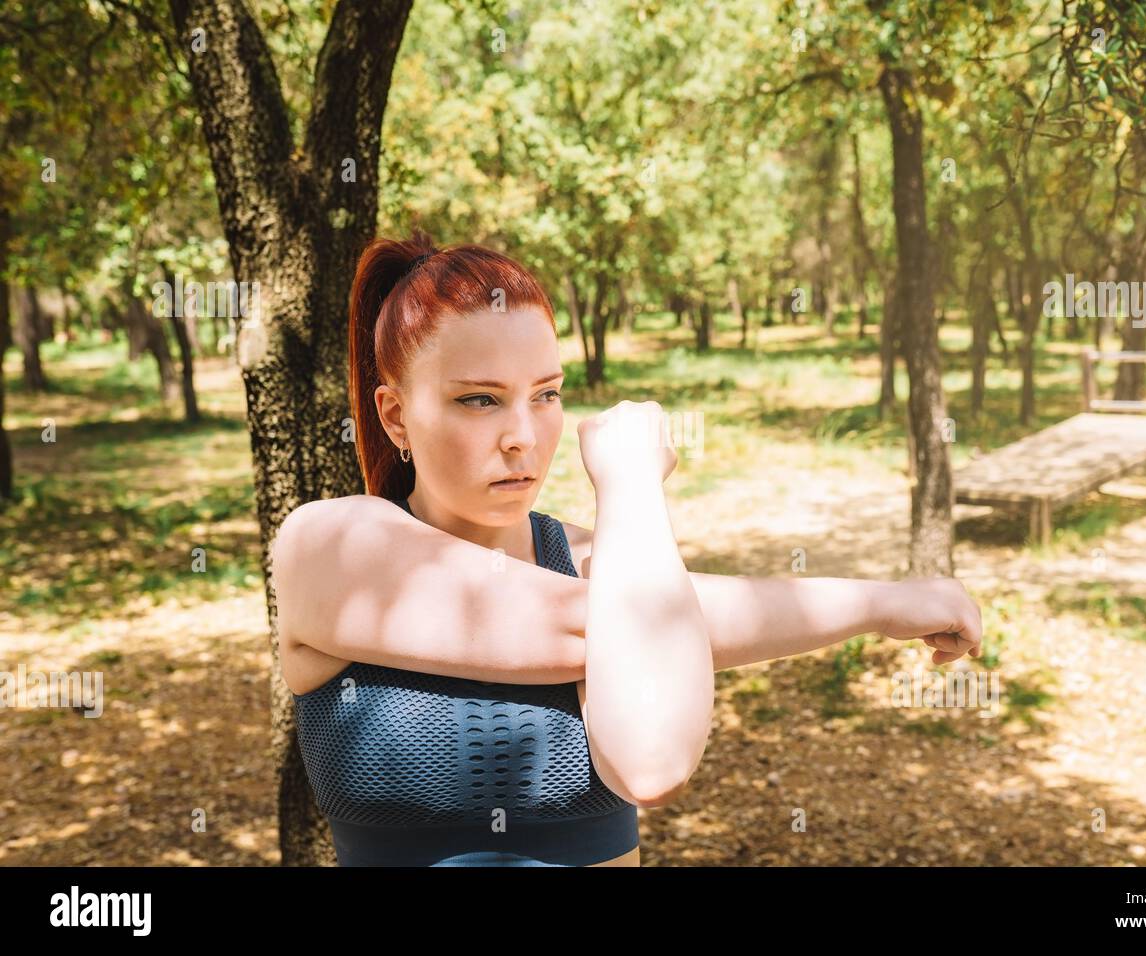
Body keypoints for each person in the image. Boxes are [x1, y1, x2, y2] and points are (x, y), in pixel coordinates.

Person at [270, 231, 983, 867]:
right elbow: (646, 683)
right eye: (480, 400)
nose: (523, 434)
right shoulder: (328, 546)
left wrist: (888, 603)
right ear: (396, 415)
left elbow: (662, 689)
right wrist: (634, 484)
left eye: (546, 395)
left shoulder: (604, 575)